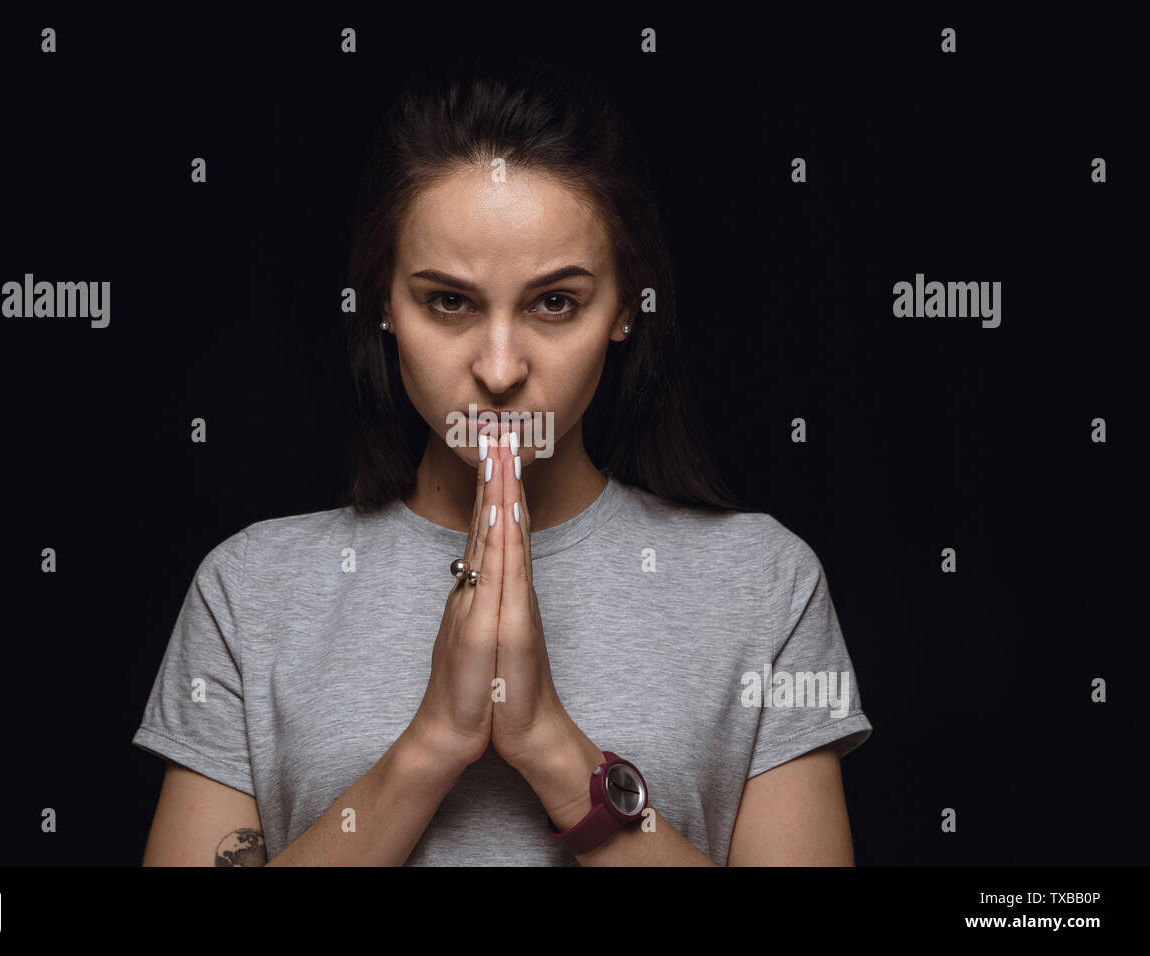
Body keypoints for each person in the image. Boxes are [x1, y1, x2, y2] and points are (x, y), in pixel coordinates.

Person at [133, 57, 873, 866]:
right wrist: (433, 745)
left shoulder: (763, 585)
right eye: (448, 301)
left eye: (555, 302)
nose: (498, 368)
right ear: (383, 303)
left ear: (627, 307)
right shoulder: (250, 591)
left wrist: (549, 746)